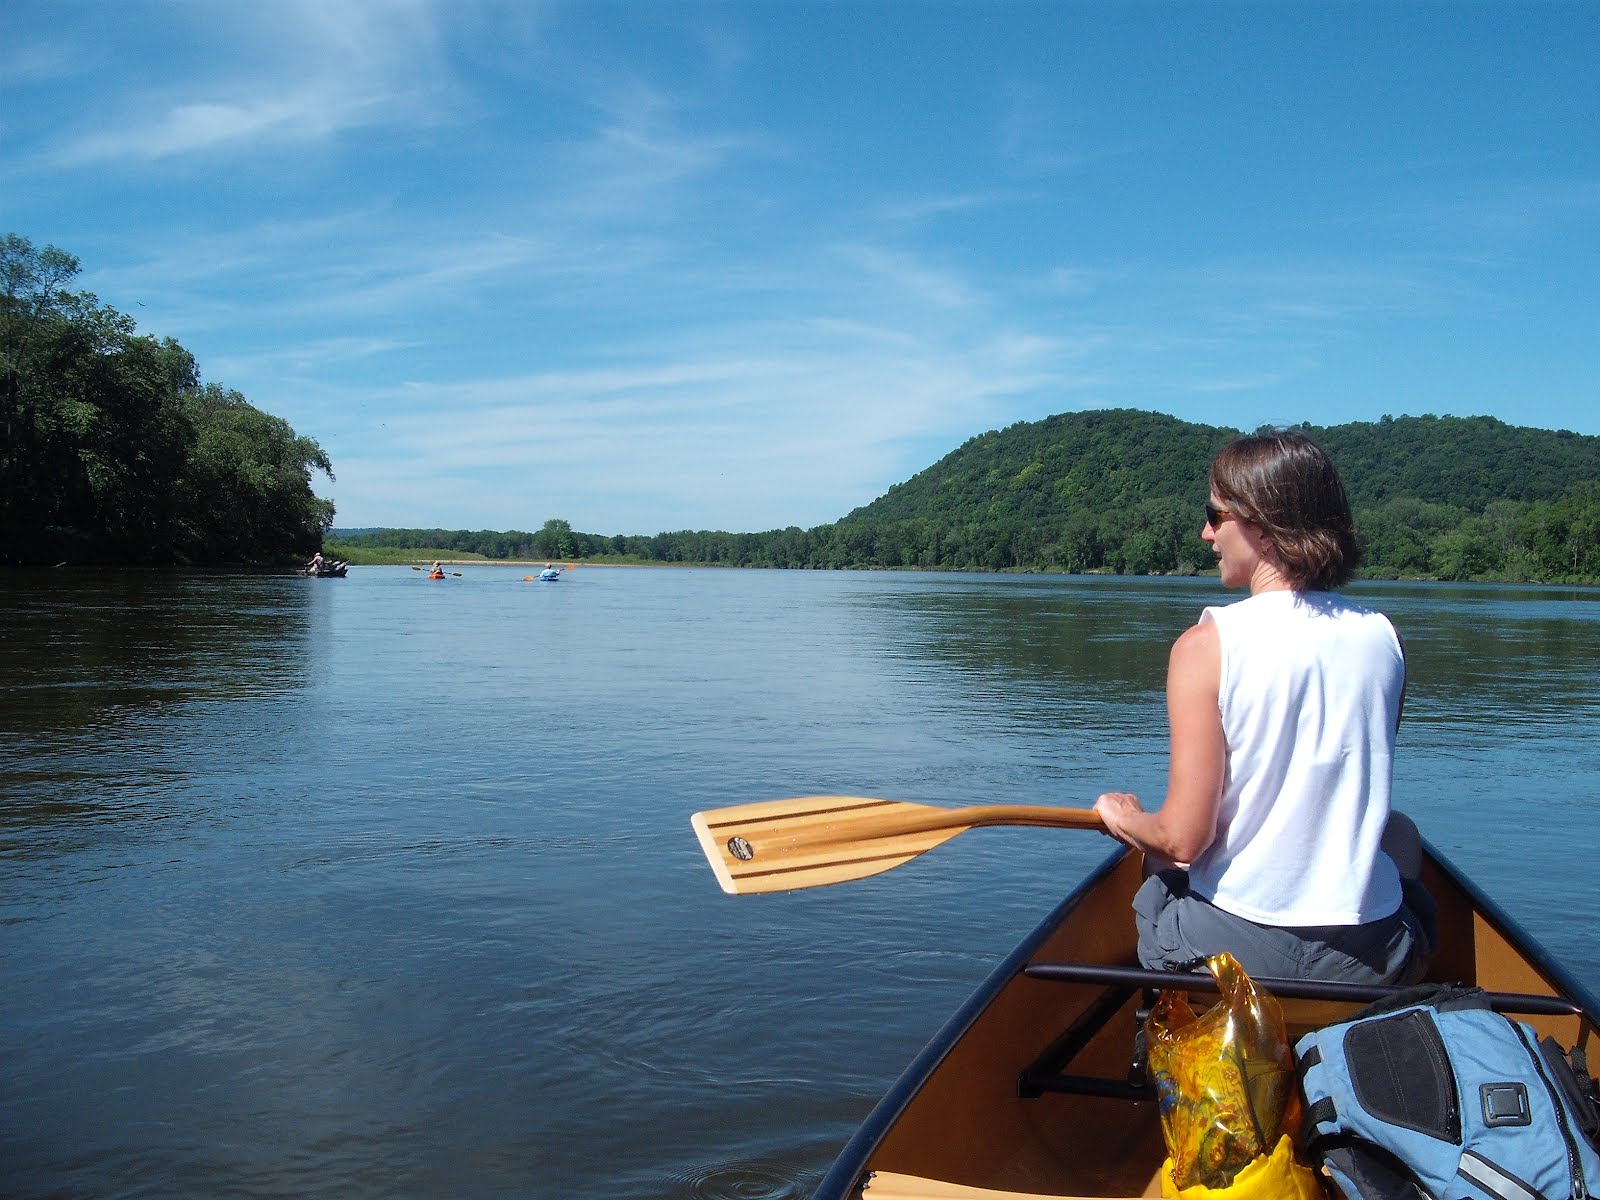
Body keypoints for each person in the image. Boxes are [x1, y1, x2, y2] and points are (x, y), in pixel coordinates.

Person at [1093, 431, 1434, 984]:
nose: (1206, 533)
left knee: (1159, 858)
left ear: (1262, 525)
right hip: (1369, 962)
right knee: (1400, 832)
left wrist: (1123, 815)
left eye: (1215, 514)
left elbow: (1182, 838)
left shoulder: (1206, 645)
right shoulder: (1385, 638)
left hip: (1235, 956)